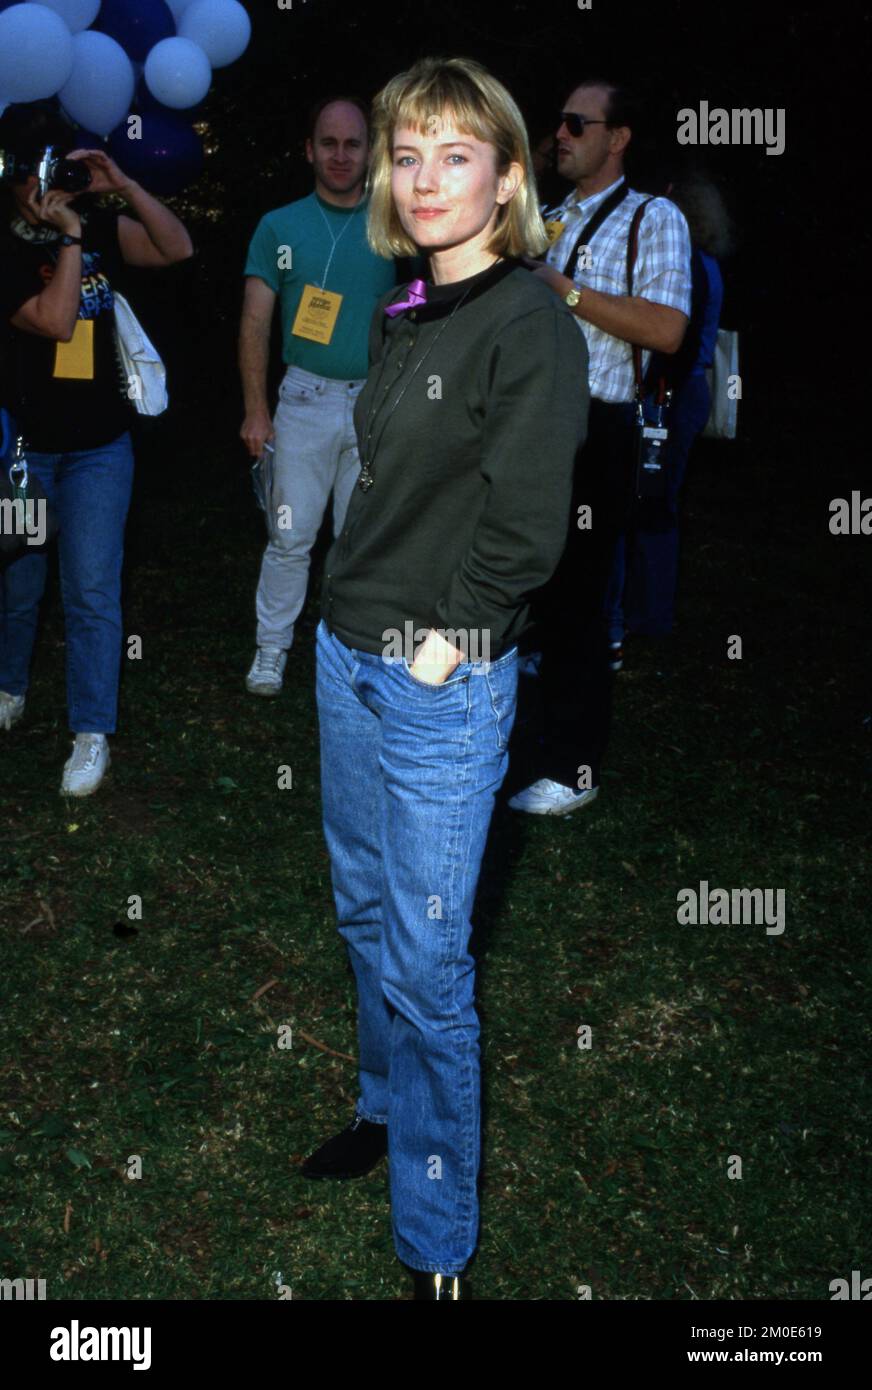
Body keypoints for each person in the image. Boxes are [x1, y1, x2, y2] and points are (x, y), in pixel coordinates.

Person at [305, 56, 589, 1299]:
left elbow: (525, 533)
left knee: (427, 967)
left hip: (434, 684)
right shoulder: (406, 304)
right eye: (404, 155)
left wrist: (439, 647)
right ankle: (381, 1107)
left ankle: (434, 1240)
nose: (422, 179)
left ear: (508, 176)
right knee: (365, 916)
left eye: (454, 155)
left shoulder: (528, 321)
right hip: (342, 650)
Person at [507, 78, 692, 816]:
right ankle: (523, 744)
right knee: (528, 589)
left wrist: (563, 289)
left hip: (599, 428)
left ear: (617, 138)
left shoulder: (656, 217)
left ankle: (573, 768)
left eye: (578, 124)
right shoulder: (546, 217)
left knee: (582, 599)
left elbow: (668, 331)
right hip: (530, 421)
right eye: (558, 122)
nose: (561, 134)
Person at [0, 104, 193, 795]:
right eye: (37, 171)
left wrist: (123, 186)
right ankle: (9, 688)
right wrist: (70, 236)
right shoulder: (7, 246)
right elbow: (54, 322)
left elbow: (177, 249)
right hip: (26, 451)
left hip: (99, 450)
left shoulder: (102, 226)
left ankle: (90, 732)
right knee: (19, 582)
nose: (49, 183)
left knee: (90, 589)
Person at [239, 95, 413, 696]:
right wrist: (256, 409)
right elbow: (256, 323)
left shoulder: (396, 223)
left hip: (373, 402)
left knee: (360, 538)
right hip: (304, 399)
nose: (341, 155)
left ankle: (350, 653)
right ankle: (271, 651)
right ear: (309, 150)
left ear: (372, 152)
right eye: (329, 143)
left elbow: (426, 300)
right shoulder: (279, 226)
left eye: (354, 143)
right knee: (290, 536)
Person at [604, 171, 729, 648]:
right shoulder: (706, 262)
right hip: (683, 393)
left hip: (668, 397)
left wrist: (651, 396)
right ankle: (644, 614)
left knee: (647, 507)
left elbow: (673, 341)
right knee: (655, 506)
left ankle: (640, 618)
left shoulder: (688, 265)